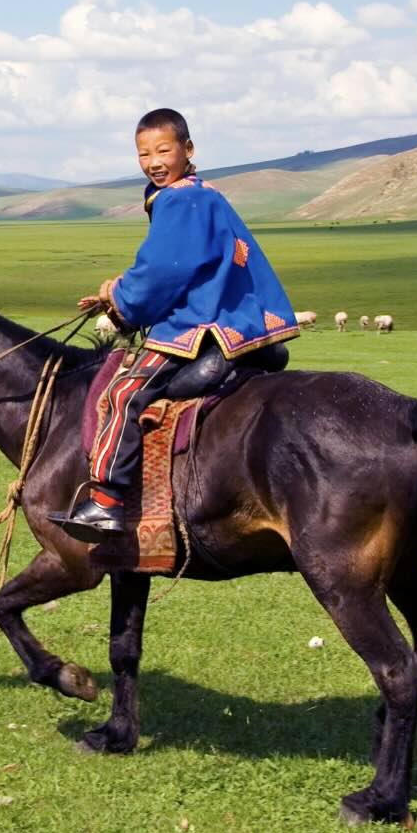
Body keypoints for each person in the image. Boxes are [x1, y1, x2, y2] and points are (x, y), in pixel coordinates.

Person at [49, 108, 299, 543]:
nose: (153, 162)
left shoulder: (180, 199)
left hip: (202, 322)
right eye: (143, 154)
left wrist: (121, 301)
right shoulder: (201, 194)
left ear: (188, 149)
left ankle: (106, 502)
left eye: (163, 150)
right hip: (236, 319)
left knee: (123, 392)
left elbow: (164, 272)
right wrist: (116, 291)